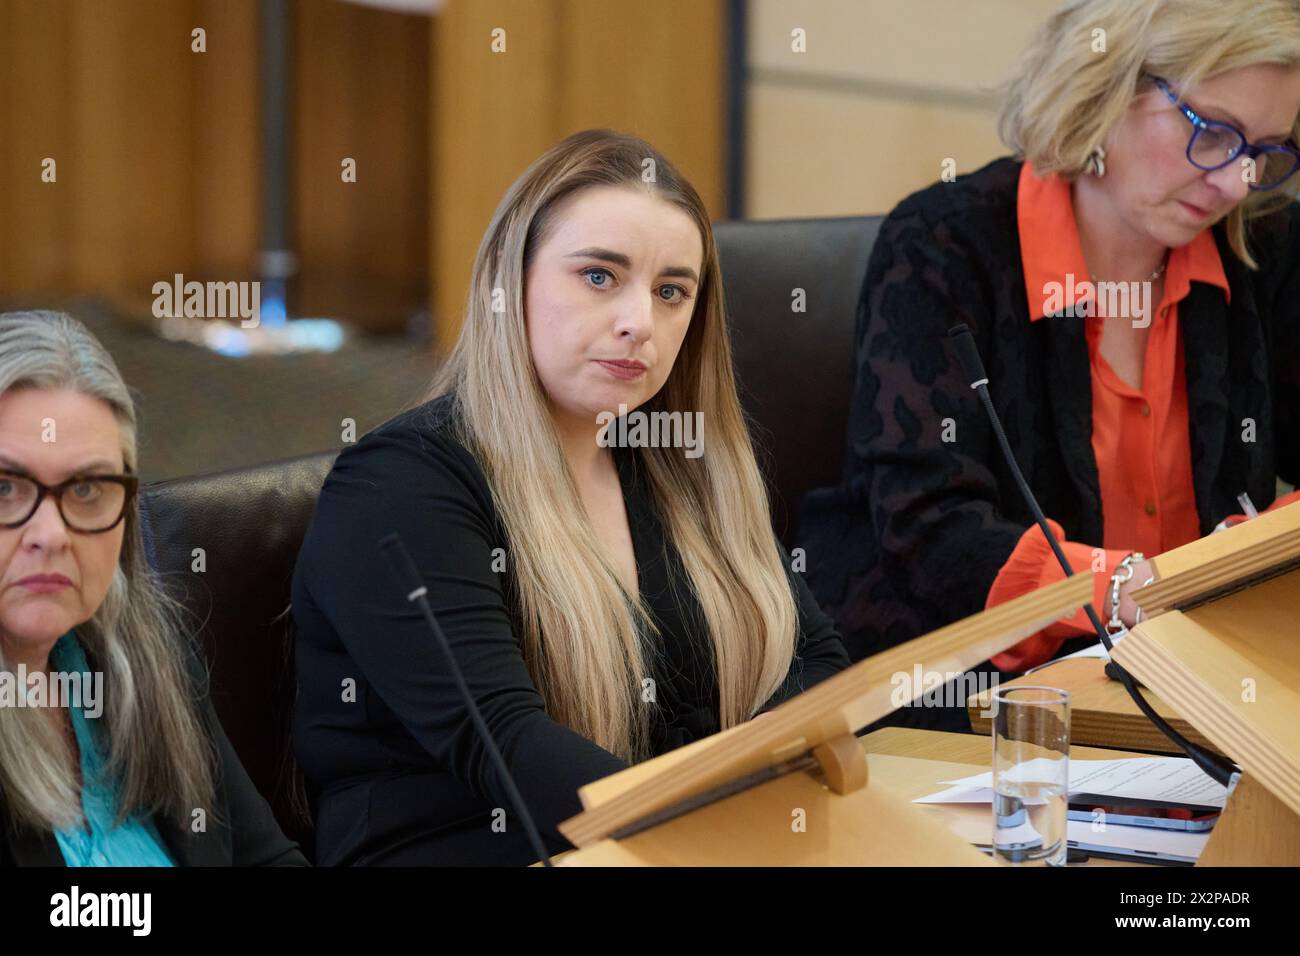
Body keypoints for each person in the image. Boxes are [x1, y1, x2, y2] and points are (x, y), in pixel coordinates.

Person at [292, 128, 851, 866]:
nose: (639, 323)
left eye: (671, 291)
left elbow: (815, 665)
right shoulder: (401, 485)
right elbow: (507, 746)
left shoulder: (673, 461)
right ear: (508, 283)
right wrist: (713, 830)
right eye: (597, 276)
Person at [798, 0, 1300, 716]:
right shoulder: (945, 244)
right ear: (1105, 85)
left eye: (1267, 150)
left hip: (1195, 690)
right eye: (1214, 133)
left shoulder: (1265, 243)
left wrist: (1238, 565)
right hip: (964, 703)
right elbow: (932, 531)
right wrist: (1133, 588)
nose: (1236, 183)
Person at [0, 311, 307, 866]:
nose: (51, 534)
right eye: (5, 488)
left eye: (88, 488)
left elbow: (266, 859)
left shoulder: (150, 654)